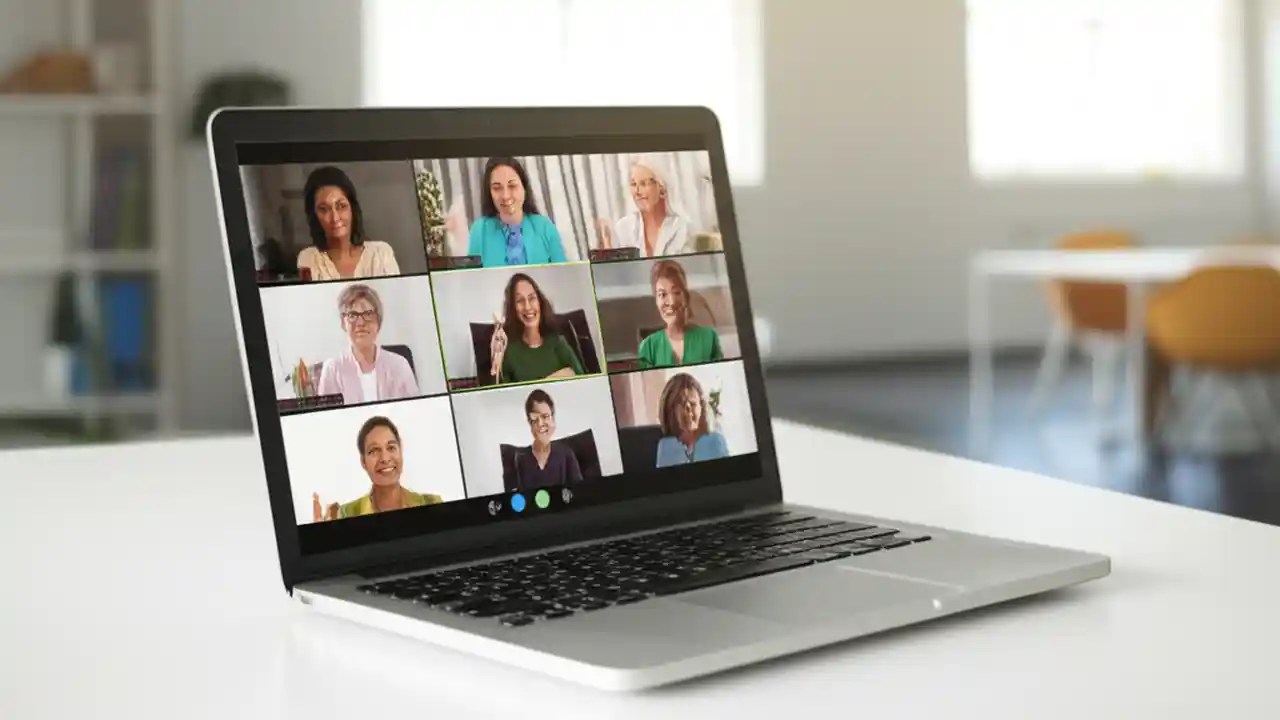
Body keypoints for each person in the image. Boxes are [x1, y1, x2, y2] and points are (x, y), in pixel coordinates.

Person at [312, 415, 443, 521]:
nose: (385, 458)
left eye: (391, 448)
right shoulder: (347, 514)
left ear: (400, 451)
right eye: (374, 451)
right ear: (363, 462)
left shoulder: (432, 503)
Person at [316, 284, 419, 404]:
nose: (360, 322)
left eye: (368, 314)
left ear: (378, 321)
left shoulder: (400, 365)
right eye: (352, 315)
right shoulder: (332, 369)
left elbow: (414, 411)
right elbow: (328, 418)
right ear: (343, 323)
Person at [296, 166, 400, 280]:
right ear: (314, 215)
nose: (335, 218)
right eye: (324, 209)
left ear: (352, 208)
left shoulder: (381, 254)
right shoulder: (309, 259)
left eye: (341, 206)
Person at [465, 157, 568, 267]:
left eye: (512, 186)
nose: (505, 196)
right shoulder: (479, 230)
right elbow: (472, 279)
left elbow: (563, 276)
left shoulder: (545, 227)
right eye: (497, 188)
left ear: (524, 187)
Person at [488, 273, 584, 384]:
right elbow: (504, 395)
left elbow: (581, 378)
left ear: (540, 302)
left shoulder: (557, 342)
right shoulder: (508, 352)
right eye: (519, 301)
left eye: (532, 298)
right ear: (512, 308)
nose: (527, 307)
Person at [595, 156, 693, 258]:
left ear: (662, 189)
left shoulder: (682, 228)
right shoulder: (623, 228)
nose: (637, 192)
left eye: (643, 184)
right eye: (633, 184)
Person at [637, 259, 723, 368]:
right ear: (656, 301)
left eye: (676, 292)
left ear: (686, 297)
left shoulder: (709, 338)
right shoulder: (648, 347)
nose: (672, 302)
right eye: (662, 295)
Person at [512, 389, 583, 490]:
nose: (540, 423)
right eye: (535, 418)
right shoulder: (520, 458)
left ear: (553, 419)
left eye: (545, 416)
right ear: (529, 422)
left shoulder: (566, 454)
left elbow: (580, 492)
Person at [654, 373, 729, 468]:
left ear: (702, 407)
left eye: (693, 403)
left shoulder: (715, 441)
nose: (688, 409)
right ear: (670, 411)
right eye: (681, 403)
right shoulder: (666, 448)